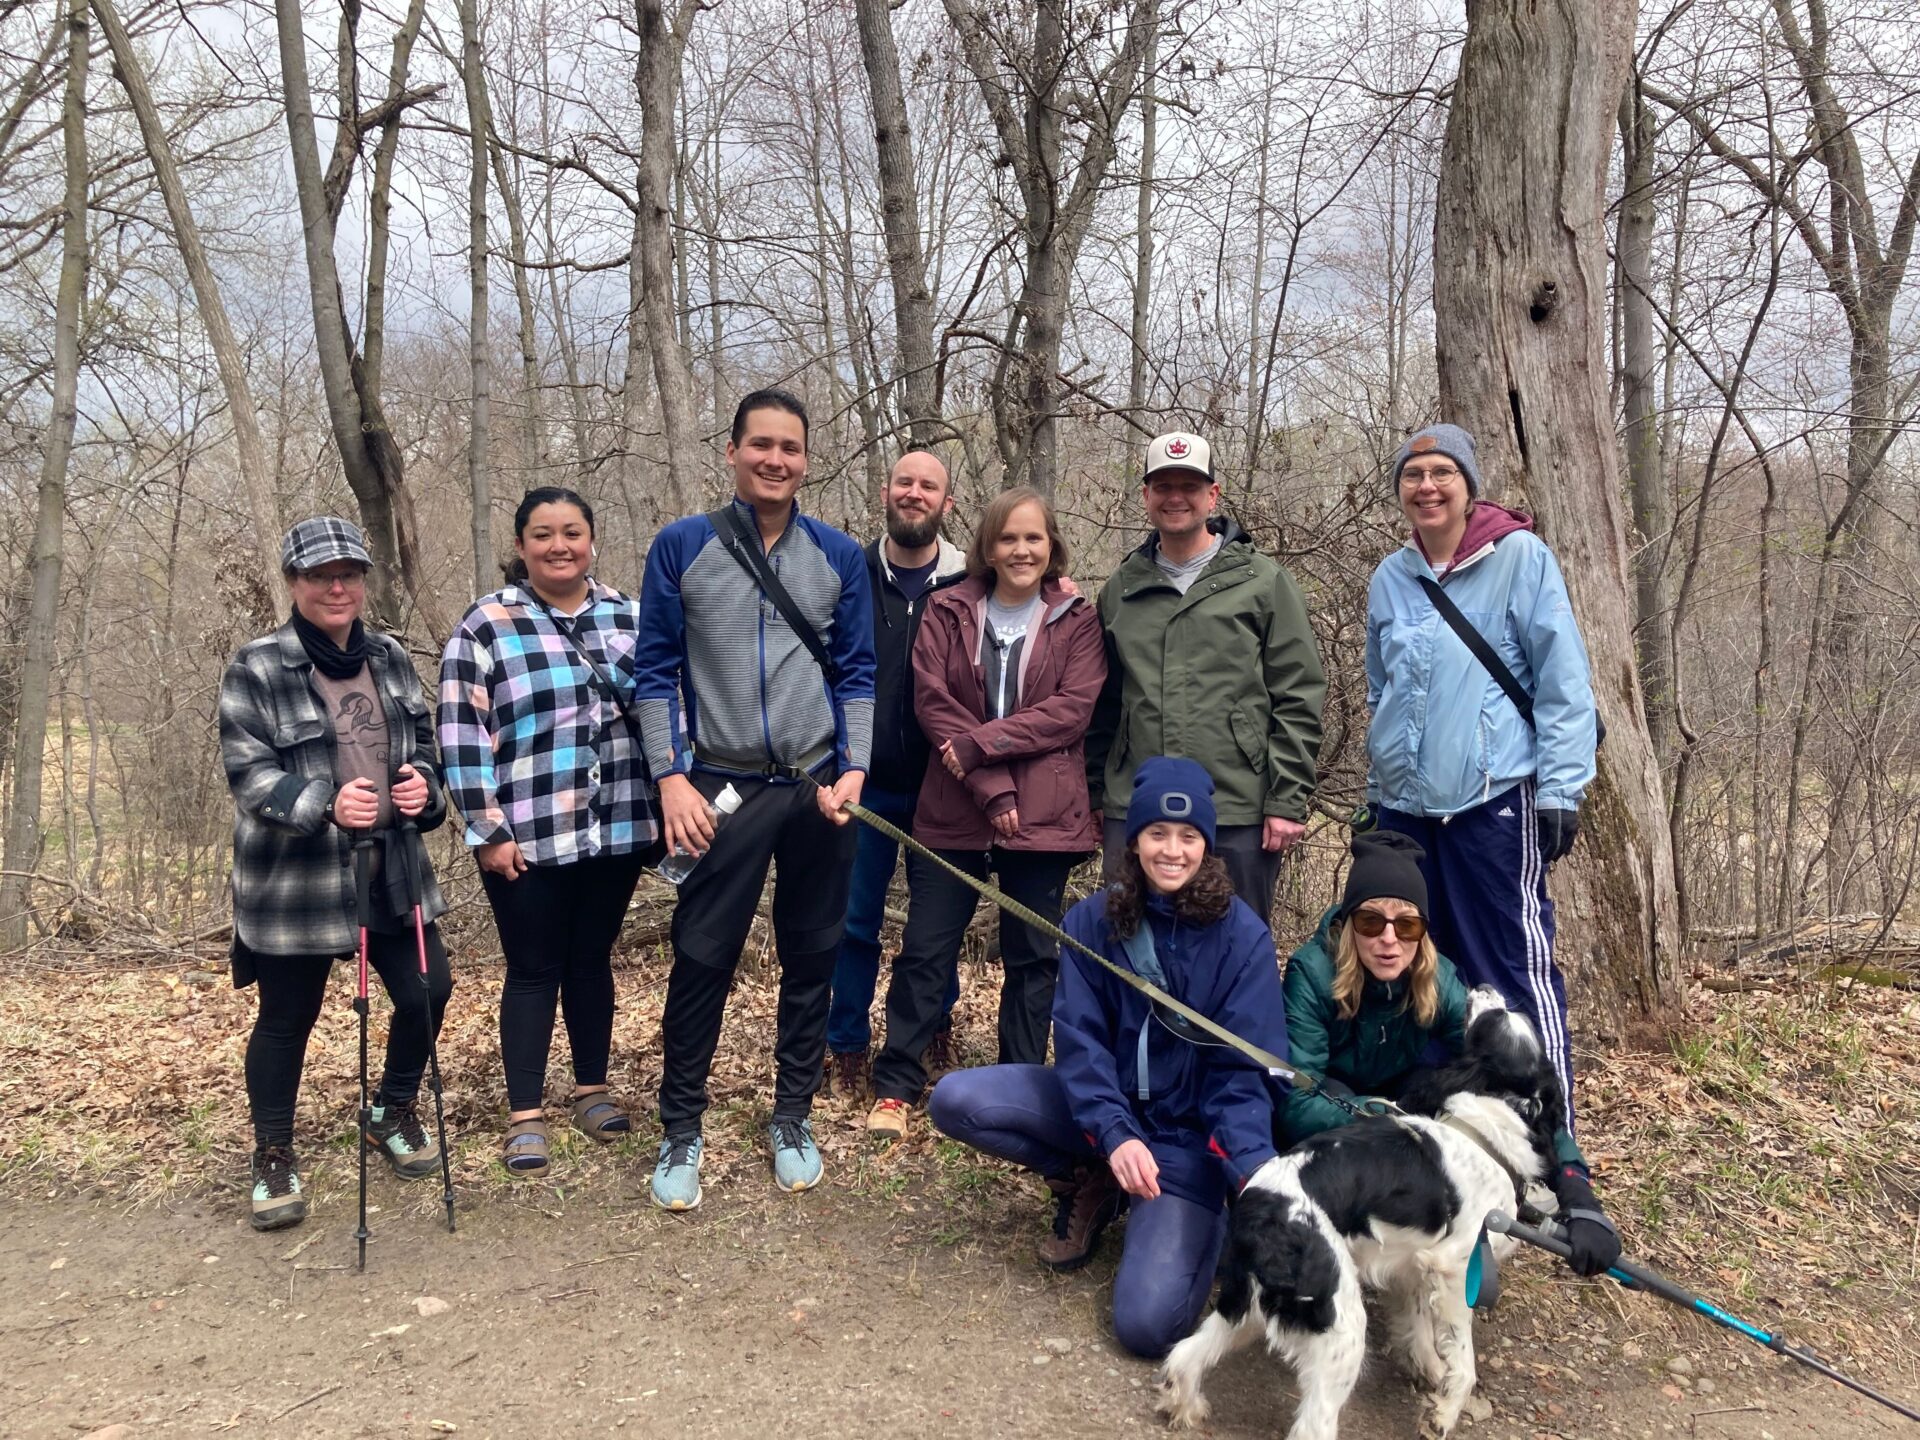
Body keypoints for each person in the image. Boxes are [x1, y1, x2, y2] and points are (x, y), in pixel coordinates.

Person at [929, 757, 1289, 1358]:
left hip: (1186, 1145)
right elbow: (1080, 1044)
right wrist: (1116, 1134)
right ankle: (1093, 1179)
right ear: (1135, 840)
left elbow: (1244, 1076)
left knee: (1147, 1327)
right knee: (959, 1100)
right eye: (1157, 834)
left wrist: (1246, 1170)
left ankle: (1203, 1222)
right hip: (1108, 1117)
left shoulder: (1243, 938)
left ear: (1207, 844)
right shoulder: (1091, 923)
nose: (1172, 851)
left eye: (1188, 836)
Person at [635, 388, 876, 1209]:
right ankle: (681, 1128)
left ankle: (793, 1115)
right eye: (761, 444)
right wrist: (670, 774)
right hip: (718, 785)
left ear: (807, 460)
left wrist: (855, 770)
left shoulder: (837, 556)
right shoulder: (683, 547)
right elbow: (655, 670)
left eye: (791, 447)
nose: (776, 459)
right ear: (733, 451)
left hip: (816, 787)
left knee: (813, 953)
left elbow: (857, 674)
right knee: (702, 954)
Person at [219, 517, 453, 1232]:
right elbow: (247, 772)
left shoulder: (388, 657)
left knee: (427, 989)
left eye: (349, 573)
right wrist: (322, 804)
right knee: (288, 1017)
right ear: (294, 583)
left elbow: (429, 752)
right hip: (296, 880)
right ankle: (273, 1154)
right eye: (321, 575)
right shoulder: (256, 666)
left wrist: (425, 790)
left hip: (393, 868)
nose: (337, 587)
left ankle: (390, 1109)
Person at [1363, 422, 1598, 1133]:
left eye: (1442, 473)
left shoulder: (1520, 559)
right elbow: (1383, 688)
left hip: (1491, 802)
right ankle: (1452, 1130)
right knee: (1419, 973)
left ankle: (1554, 1137)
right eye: (1413, 475)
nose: (1426, 487)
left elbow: (1563, 683)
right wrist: (1380, 790)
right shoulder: (1391, 577)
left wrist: (1560, 788)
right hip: (1404, 810)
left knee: (1513, 969)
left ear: (1468, 486)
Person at [865, 487, 1105, 1142]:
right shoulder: (948, 608)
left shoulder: (1076, 616)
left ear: (1051, 544)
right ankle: (896, 1082)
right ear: (987, 547)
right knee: (925, 948)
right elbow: (934, 703)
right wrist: (992, 784)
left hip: (1046, 810)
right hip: (955, 805)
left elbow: (1071, 711)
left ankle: (1018, 1085)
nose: (1022, 550)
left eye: (1034, 538)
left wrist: (979, 748)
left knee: (1032, 955)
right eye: (1008, 538)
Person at [1281, 830, 1622, 1277]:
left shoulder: (1438, 980)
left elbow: (1515, 1078)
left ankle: (1450, 1234)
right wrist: (1391, 1118)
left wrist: (1577, 1191)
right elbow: (1296, 1102)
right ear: (1348, 925)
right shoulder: (1312, 973)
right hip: (1333, 1100)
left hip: (1404, 1092)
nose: (1389, 940)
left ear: (1422, 933)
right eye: (1370, 923)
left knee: (1454, 1096)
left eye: (1406, 926)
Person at [438, 487, 657, 1176]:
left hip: (617, 825)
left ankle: (591, 1088)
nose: (558, 545)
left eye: (571, 532)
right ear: (521, 545)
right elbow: (460, 731)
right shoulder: (487, 623)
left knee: (592, 959)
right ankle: (525, 1112)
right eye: (542, 534)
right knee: (534, 969)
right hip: (527, 833)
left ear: (593, 539)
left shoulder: (631, 615)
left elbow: (664, 708)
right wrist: (486, 827)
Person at [1086, 431, 1325, 928]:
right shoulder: (1121, 589)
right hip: (1135, 801)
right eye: (1163, 485)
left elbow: (1299, 694)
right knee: (1132, 943)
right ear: (1146, 496)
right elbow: (1102, 705)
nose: (1177, 497)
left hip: (1237, 802)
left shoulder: (1262, 581)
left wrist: (1286, 799)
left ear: (1212, 495)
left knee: (1233, 946)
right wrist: (1094, 796)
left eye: (1190, 486)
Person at [824, 449, 968, 1102]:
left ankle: (933, 1027)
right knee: (854, 921)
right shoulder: (848, 570)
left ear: (948, 502)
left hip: (948, 785)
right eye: (905, 482)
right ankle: (846, 1043)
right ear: (887, 491)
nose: (914, 494)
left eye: (928, 486)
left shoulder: (974, 580)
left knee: (934, 929)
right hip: (863, 781)